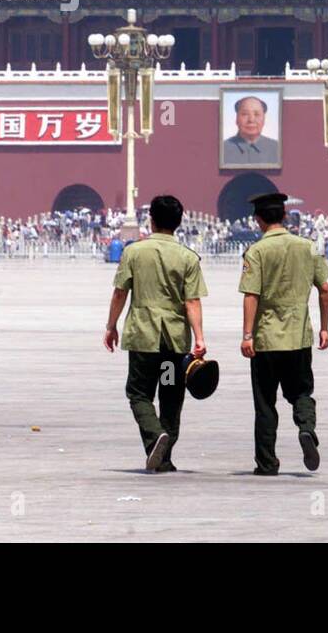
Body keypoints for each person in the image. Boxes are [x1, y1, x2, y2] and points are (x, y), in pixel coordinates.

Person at [103, 194, 208, 473]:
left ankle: (154, 437)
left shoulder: (134, 252)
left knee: (139, 393)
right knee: (170, 394)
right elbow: (192, 301)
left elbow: (120, 292)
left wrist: (111, 326)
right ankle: (165, 455)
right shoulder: (187, 257)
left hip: (143, 339)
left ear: (152, 220)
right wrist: (199, 338)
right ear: (178, 222)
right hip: (172, 345)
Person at [238, 192, 328, 475]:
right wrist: (325, 327)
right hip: (299, 337)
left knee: (265, 403)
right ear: (284, 217)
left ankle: (267, 463)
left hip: (266, 340)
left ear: (259, 220)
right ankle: (306, 428)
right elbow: (325, 289)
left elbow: (251, 295)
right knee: (301, 391)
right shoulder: (310, 247)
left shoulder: (255, 252)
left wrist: (246, 335)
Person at [222, 95, 281, 167]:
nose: (251, 120)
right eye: (245, 114)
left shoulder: (277, 149)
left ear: (264, 119)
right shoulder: (222, 149)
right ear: (236, 119)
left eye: (257, 114)